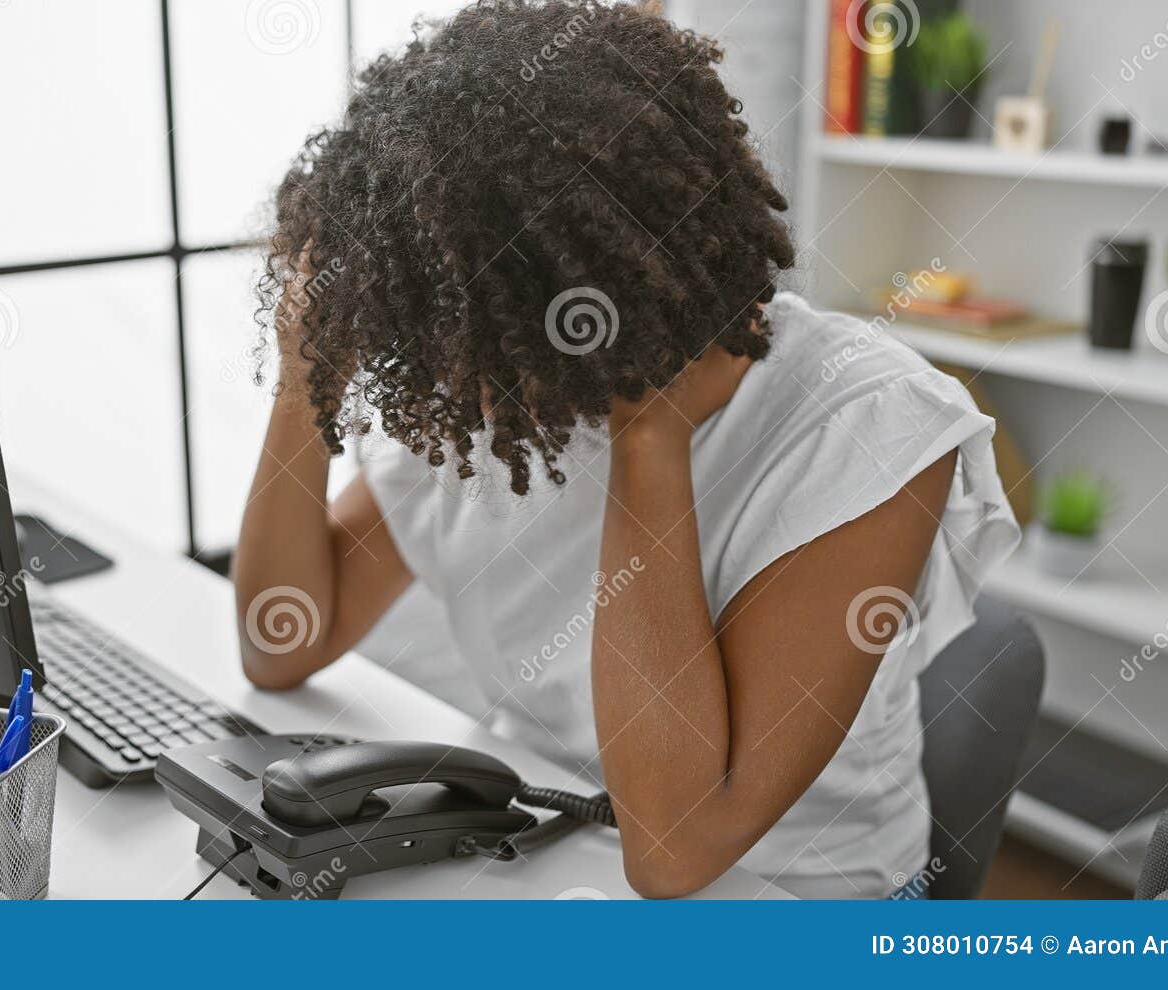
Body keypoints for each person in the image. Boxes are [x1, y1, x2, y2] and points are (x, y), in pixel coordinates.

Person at [232, 0, 1018, 899]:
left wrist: (650, 433)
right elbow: (280, 643)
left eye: (463, 332)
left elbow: (676, 847)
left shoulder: (871, 424)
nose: (451, 378)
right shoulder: (497, 402)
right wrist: (305, 374)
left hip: (802, 901)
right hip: (552, 856)